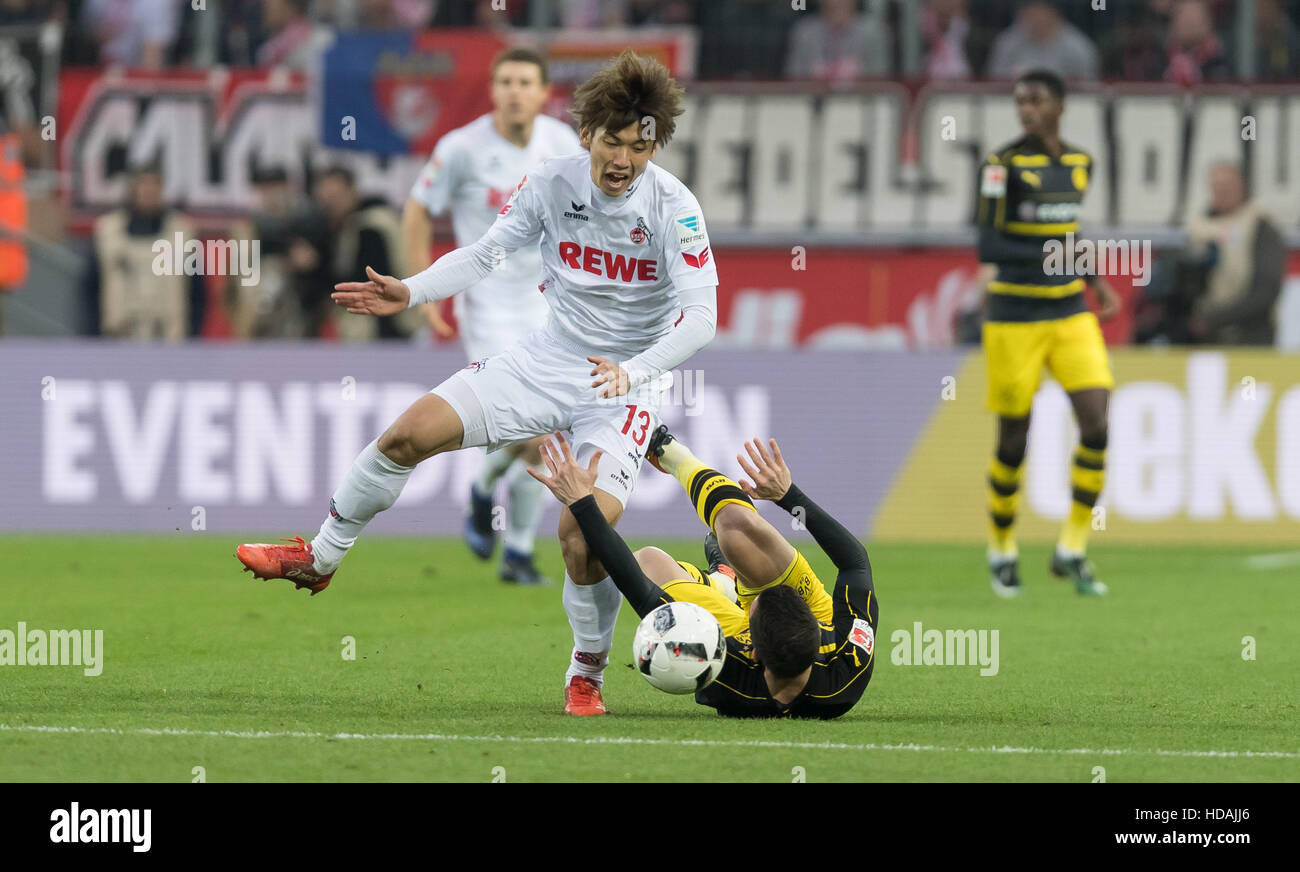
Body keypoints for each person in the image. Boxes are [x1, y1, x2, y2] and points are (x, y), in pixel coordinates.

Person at [236, 50, 719, 718]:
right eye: (612, 142)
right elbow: (487, 253)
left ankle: (586, 674)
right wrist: (410, 290)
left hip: (627, 387)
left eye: (640, 147)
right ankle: (318, 559)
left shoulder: (674, 207)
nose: (623, 160)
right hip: (548, 359)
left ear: (654, 145)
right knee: (406, 436)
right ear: (587, 135)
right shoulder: (550, 182)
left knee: (582, 540)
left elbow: (702, 318)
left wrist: (634, 372)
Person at [529, 428, 878, 719]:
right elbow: (855, 562)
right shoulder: (847, 664)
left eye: (753, 601)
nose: (753, 596)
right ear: (817, 635)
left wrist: (581, 502)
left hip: (745, 635)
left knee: (648, 560)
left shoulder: (727, 673)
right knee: (737, 528)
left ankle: (724, 582)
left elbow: (639, 587)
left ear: (752, 650)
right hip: (792, 629)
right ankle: (671, 453)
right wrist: (788, 495)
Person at [402, 47, 581, 586]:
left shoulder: (562, 145)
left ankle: (515, 547)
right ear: (493, 89)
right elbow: (416, 209)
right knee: (528, 424)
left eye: (526, 81)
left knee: (546, 429)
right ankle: (488, 501)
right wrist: (420, 288)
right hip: (485, 304)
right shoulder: (461, 148)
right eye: (505, 81)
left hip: (546, 304)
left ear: (545, 91)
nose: (514, 91)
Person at [975, 69, 1118, 598]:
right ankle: (1002, 549)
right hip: (1014, 319)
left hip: (1070, 313)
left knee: (1098, 424)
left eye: (1036, 101)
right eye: (1020, 102)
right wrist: (1051, 253)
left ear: (1059, 106)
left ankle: (1073, 548)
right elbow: (988, 245)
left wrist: (1095, 281)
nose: (1026, 110)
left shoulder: (1082, 163)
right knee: (1014, 441)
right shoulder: (1000, 166)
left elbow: (1069, 230)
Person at [986, 0, 1098, 82]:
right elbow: (994, 81)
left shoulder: (1077, 47)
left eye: (1036, 12)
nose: (1031, 19)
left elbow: (1088, 88)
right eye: (1026, 12)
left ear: (1053, 14)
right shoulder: (1008, 41)